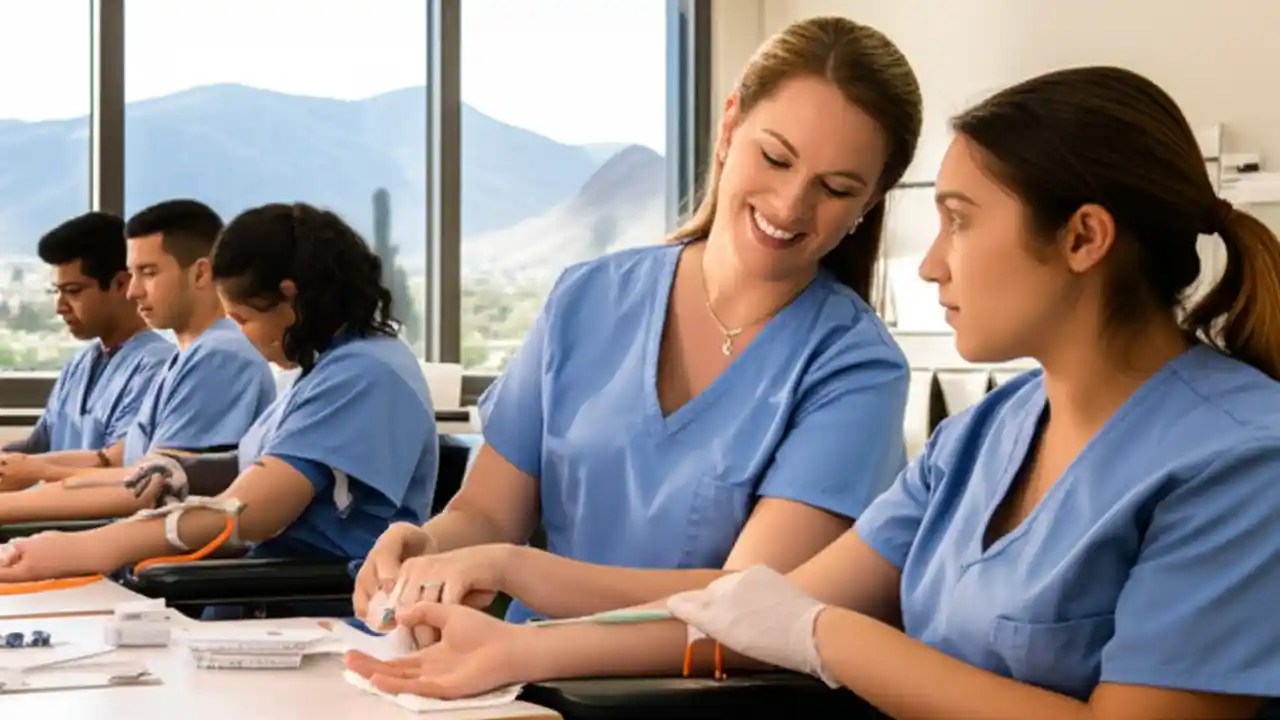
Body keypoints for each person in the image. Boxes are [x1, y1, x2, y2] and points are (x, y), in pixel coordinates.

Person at [345, 65, 1280, 716]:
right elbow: (751, 613)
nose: (934, 267)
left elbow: (793, 616)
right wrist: (517, 651)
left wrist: (826, 636)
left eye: (958, 221)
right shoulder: (987, 435)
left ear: (1083, 239)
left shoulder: (1239, 460)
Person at [354, 15, 924, 631]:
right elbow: (488, 514)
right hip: (509, 681)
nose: (791, 206)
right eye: (776, 158)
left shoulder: (856, 368)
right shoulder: (587, 297)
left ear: (869, 203)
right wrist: (430, 548)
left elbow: (750, 602)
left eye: (836, 189)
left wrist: (514, 569)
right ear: (730, 125)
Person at [0, 203, 438, 588]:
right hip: (258, 583)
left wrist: (80, 550)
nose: (244, 337)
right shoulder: (327, 365)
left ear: (290, 297)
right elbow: (269, 464)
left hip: (305, 600)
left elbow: (249, 511)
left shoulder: (361, 375)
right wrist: (187, 470)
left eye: (244, 319)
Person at [0, 199, 275, 522]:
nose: (132, 292)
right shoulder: (188, 358)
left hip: (142, 549)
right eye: (133, 274)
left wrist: (37, 475)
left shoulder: (220, 358)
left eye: (148, 273)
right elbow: (123, 467)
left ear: (201, 272)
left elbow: (151, 488)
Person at [0, 212, 174, 488]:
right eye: (56, 292)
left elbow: (118, 469)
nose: (60, 306)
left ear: (121, 284)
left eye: (73, 291)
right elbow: (38, 446)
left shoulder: (156, 368)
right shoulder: (80, 364)